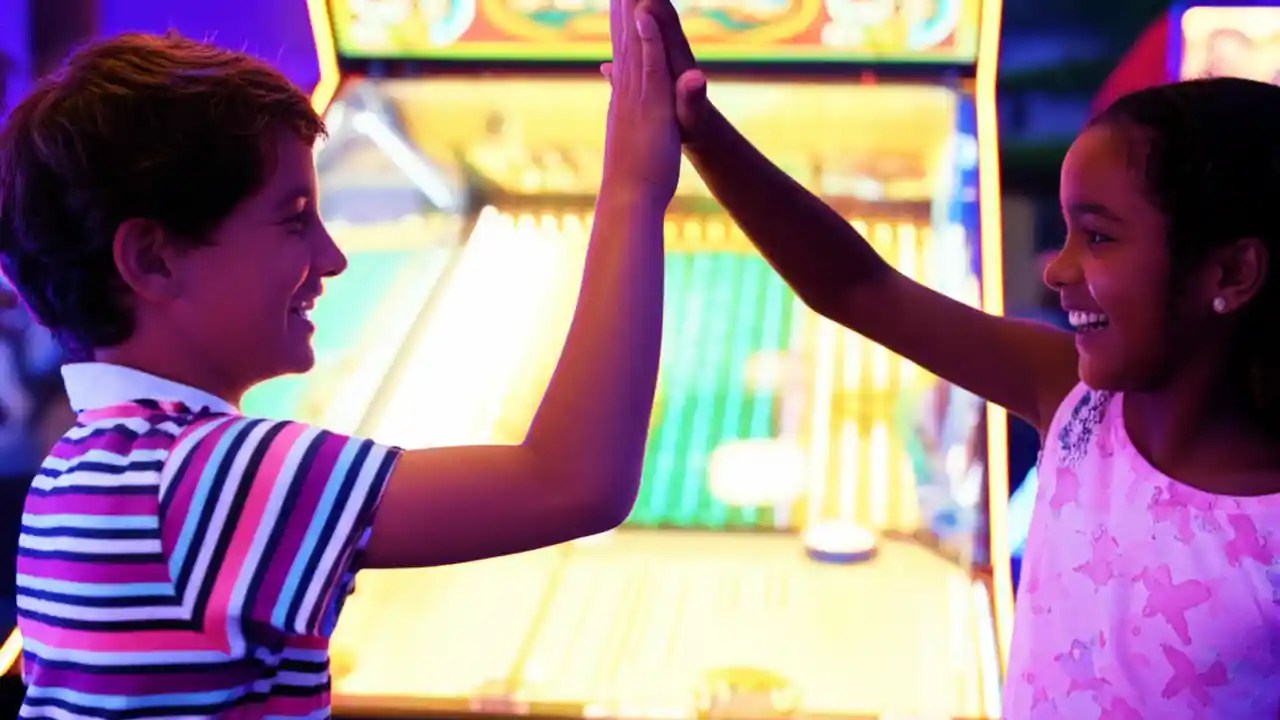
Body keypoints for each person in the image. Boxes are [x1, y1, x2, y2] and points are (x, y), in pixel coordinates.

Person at [0, 0, 679, 713]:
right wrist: (634, 188)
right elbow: (574, 483)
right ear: (153, 260)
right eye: (294, 221)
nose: (333, 256)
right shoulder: (203, 477)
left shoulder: (79, 468)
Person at [616, 3, 1280, 716]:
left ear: (1231, 274)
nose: (1056, 270)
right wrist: (703, 135)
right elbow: (855, 286)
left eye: (1099, 238)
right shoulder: (1075, 405)